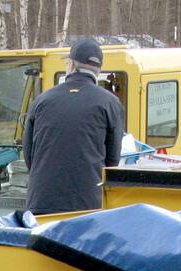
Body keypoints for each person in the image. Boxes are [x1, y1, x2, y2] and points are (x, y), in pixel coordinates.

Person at [22, 38, 124, 216]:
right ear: (98, 70)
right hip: (87, 203)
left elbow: (29, 155)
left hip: (41, 201)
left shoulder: (42, 100)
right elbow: (112, 161)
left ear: (70, 64)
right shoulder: (110, 103)